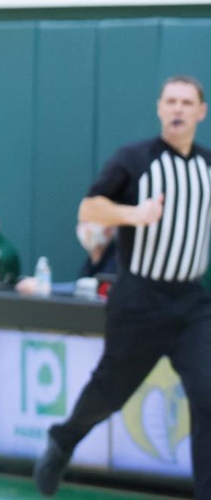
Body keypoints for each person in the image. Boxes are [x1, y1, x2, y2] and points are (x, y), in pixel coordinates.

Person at [35, 76, 211, 497]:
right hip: (140, 299)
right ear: (159, 108)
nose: (178, 109)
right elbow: (90, 206)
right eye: (171, 101)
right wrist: (134, 214)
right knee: (110, 392)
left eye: (187, 102)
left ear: (201, 112)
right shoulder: (134, 159)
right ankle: (64, 438)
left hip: (191, 300)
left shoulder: (207, 165)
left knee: (209, 396)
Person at [15, 223, 117, 296]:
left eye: (91, 221)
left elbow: (97, 289)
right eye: (83, 221)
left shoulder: (117, 260)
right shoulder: (90, 263)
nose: (85, 227)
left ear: (109, 230)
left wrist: (46, 288)